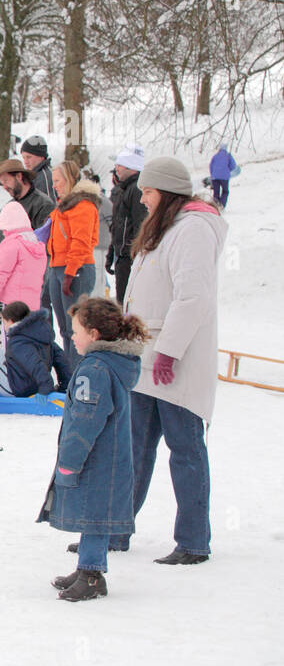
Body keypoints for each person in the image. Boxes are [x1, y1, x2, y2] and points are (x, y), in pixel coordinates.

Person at [111, 156, 226, 565]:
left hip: (174, 361)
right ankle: (115, 529)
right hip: (147, 358)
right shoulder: (165, 227)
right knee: (134, 448)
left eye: (148, 192)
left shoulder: (193, 229)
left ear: (169, 193)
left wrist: (169, 352)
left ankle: (194, 541)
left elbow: (193, 297)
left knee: (185, 448)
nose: (142, 200)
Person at [36, 298, 149, 601]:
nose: (72, 337)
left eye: (77, 331)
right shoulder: (110, 364)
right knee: (95, 511)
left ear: (95, 334)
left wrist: (70, 460)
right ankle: (87, 566)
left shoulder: (94, 370)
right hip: (109, 456)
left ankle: (93, 575)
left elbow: (85, 421)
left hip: (97, 456)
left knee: (96, 513)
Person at [0, 301, 69, 414]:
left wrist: (45, 388)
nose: (3, 326)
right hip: (30, 384)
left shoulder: (19, 341)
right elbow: (62, 361)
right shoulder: (39, 335)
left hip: (19, 389)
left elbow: (35, 364)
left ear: (10, 321)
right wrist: (65, 386)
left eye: (4, 322)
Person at [46, 160, 102, 369]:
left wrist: (70, 273)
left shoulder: (83, 206)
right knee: (64, 329)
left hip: (75, 269)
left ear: (69, 179)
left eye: (57, 180)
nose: (54, 185)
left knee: (75, 329)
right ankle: (70, 375)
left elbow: (80, 242)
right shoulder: (64, 206)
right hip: (58, 267)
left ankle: (77, 375)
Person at [0, 202, 48, 319]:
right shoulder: (37, 245)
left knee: (13, 336)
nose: (4, 233)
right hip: (33, 305)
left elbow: (1, 272)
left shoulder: (11, 244)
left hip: (12, 306)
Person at [0, 158, 54, 268]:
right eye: (2, 184)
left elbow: (43, 245)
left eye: (6, 181)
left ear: (19, 176)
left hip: (33, 276)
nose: (5, 187)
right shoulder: (6, 209)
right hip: (7, 276)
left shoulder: (43, 205)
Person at [107, 144, 147, 303]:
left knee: (129, 303)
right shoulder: (122, 189)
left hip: (130, 257)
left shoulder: (137, 189)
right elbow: (117, 226)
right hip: (122, 256)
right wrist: (112, 252)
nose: (116, 168)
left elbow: (141, 225)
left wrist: (135, 256)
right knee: (122, 302)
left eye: (120, 164)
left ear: (131, 166)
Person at [20, 135, 56, 202]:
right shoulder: (33, 175)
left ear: (41, 157)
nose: (25, 162)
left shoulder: (46, 176)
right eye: (23, 158)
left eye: (29, 157)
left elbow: (49, 206)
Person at [208, 142, 237, 209]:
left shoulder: (215, 156)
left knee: (216, 192)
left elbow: (211, 166)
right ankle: (222, 204)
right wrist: (228, 170)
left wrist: (212, 174)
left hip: (215, 177)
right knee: (225, 191)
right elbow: (233, 166)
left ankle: (215, 205)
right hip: (224, 177)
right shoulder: (228, 155)